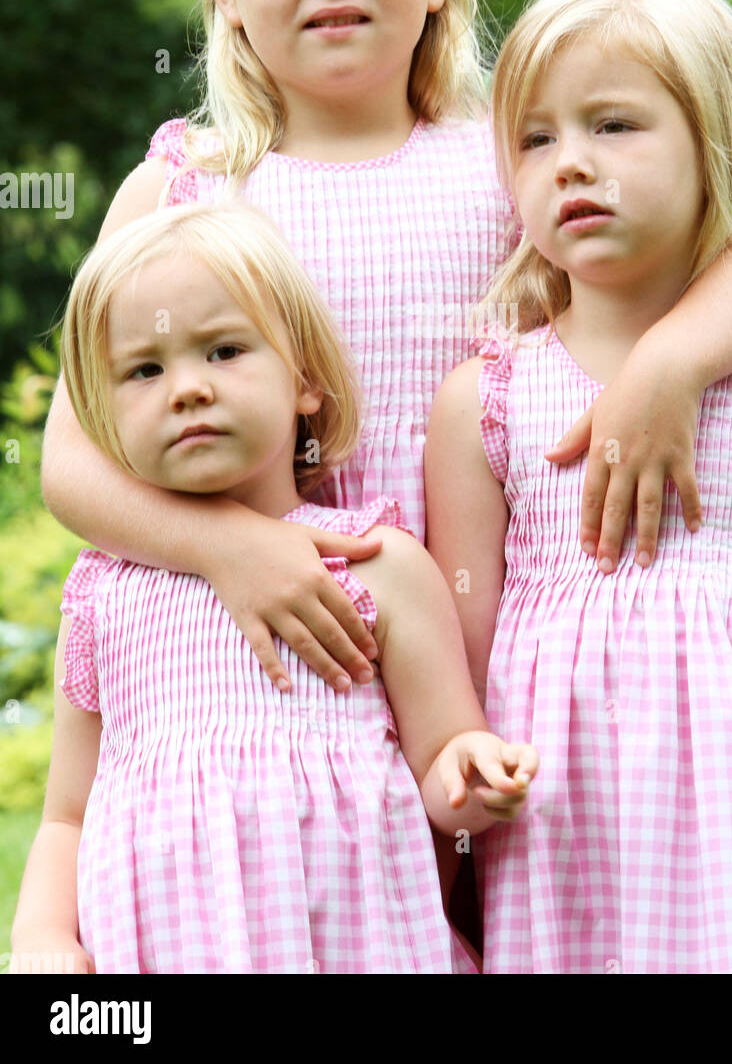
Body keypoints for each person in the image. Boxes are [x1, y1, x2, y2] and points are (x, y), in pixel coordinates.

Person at [38, 0, 732, 707]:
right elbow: (69, 464)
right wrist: (227, 546)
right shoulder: (186, 191)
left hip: (497, 654)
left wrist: (669, 367)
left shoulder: (510, 160)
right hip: (277, 657)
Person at [424, 0, 732, 973]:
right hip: (552, 859)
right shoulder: (486, 405)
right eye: (536, 137)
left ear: (712, 142)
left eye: (614, 124)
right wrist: (452, 815)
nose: (569, 162)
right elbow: (456, 663)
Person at [11, 203, 536, 974]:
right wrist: (44, 939)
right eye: (145, 370)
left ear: (304, 382)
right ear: (101, 415)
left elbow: (445, 759)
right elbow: (66, 814)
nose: (186, 389)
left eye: (223, 351)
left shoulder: (375, 565)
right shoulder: (102, 597)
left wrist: (470, 775)